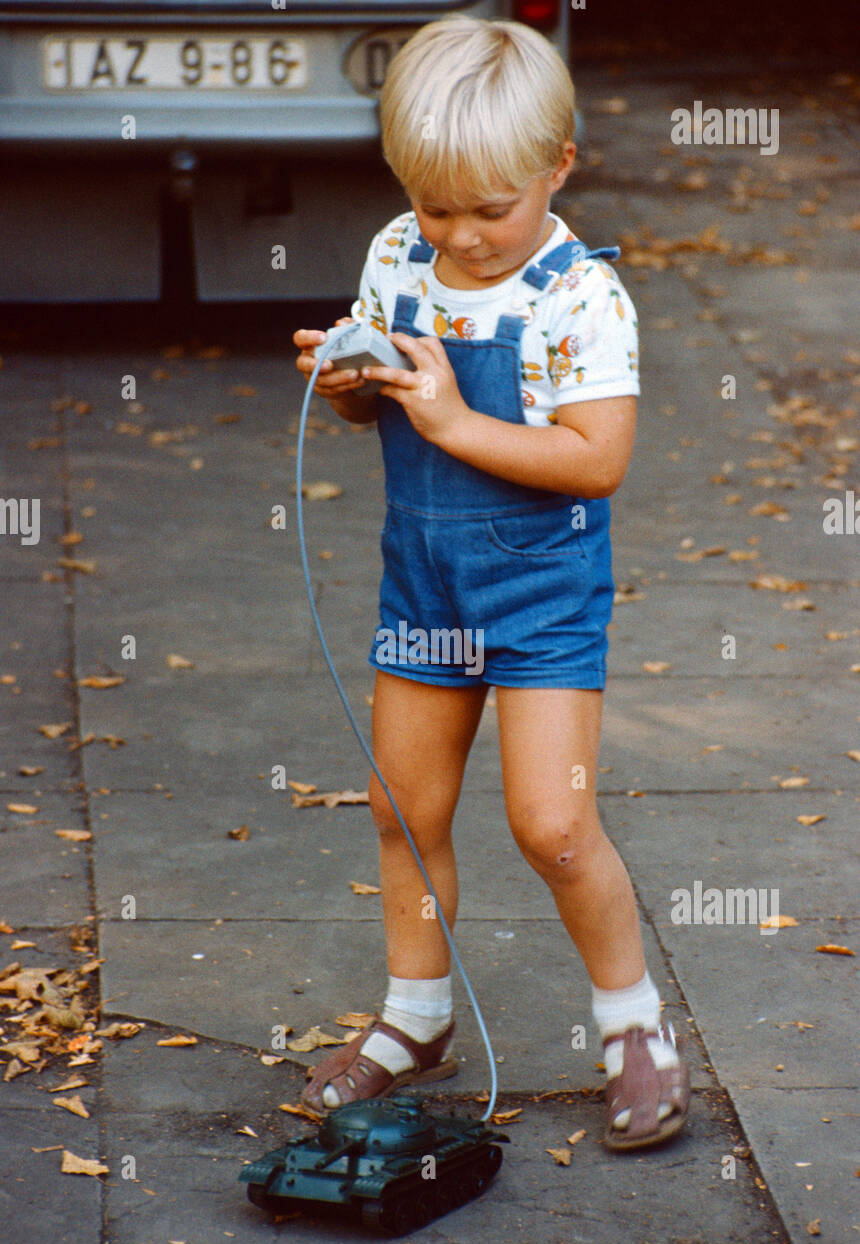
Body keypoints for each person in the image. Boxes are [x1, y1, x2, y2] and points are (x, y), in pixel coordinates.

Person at [292, 16, 689, 1150]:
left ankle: (633, 1028)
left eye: (489, 210)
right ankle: (415, 1019)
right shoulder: (394, 255)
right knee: (402, 811)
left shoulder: (578, 300)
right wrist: (348, 383)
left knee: (552, 825)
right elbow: (388, 391)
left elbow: (595, 459)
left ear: (556, 169)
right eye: (434, 207)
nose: (459, 237)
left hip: (539, 595)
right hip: (424, 580)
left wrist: (457, 419)